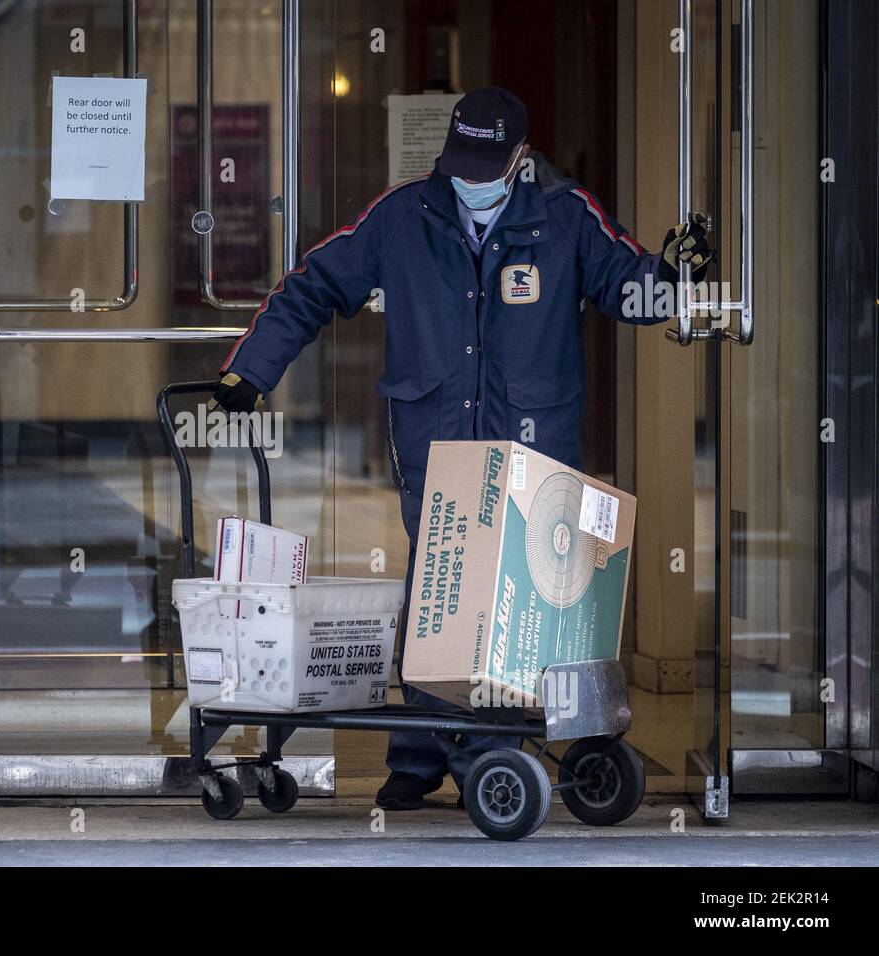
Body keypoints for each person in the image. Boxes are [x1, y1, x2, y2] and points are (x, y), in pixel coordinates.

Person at [211, 87, 712, 810]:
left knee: (519, 594)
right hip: (434, 435)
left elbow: (626, 288)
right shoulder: (404, 215)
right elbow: (313, 285)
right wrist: (251, 368)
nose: (469, 178)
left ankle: (486, 746)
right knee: (439, 588)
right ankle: (421, 754)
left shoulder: (566, 216)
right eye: (459, 162)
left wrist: (675, 276)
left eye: (485, 164)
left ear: (519, 158)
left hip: (531, 438)